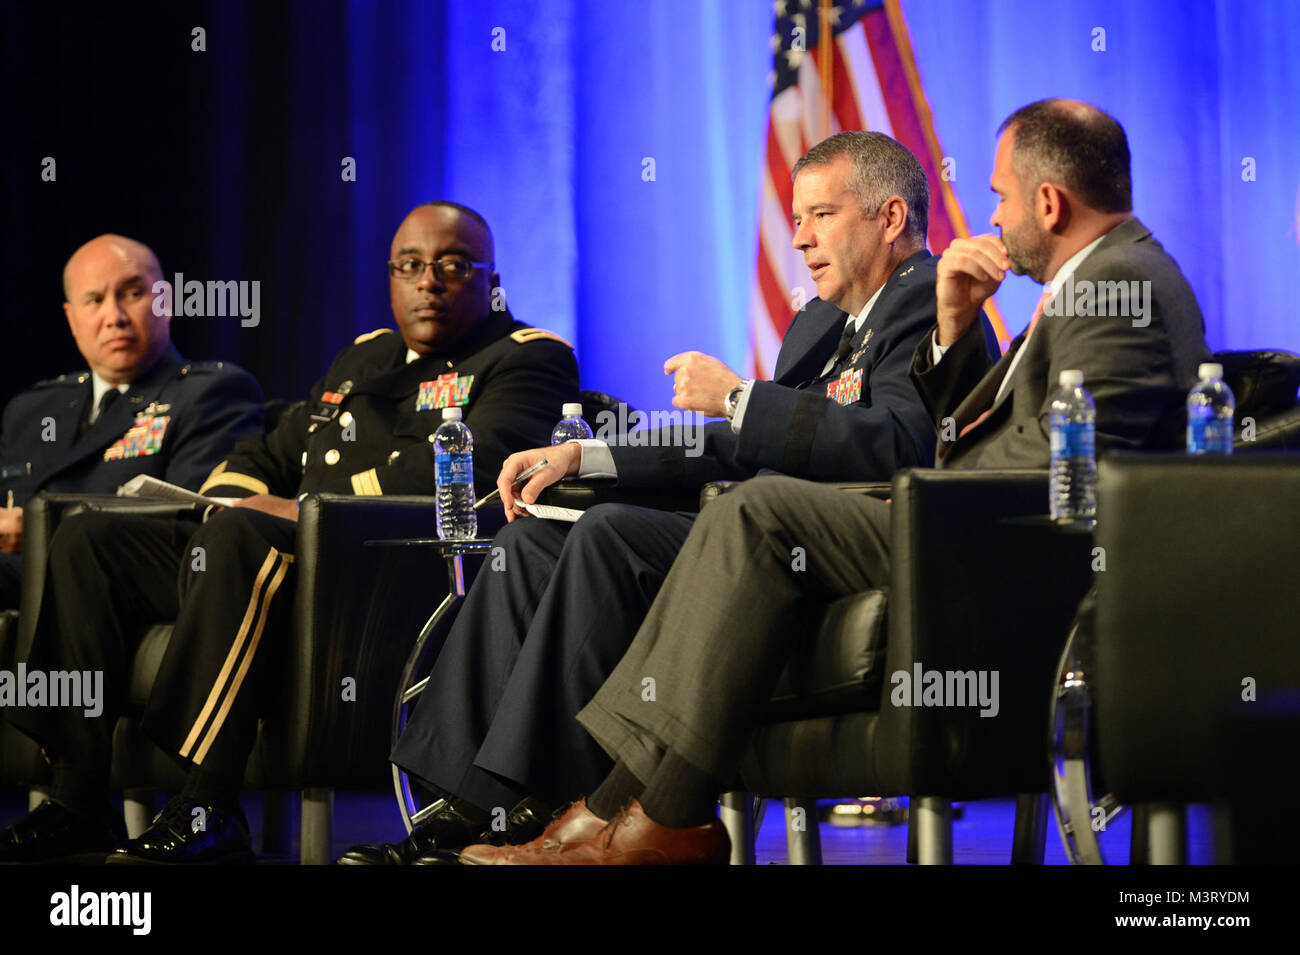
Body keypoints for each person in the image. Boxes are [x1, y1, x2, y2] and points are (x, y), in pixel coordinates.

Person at [459, 99, 1214, 865]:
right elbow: (975, 438)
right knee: (736, 513)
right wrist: (954, 330)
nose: (992, 215)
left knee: (757, 514)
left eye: (1000, 197)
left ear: (1048, 203)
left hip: (995, 548)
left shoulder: (1121, 285)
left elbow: (1059, 464)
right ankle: (622, 814)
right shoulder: (1092, 283)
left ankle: (650, 818)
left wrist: (914, 488)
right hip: (954, 522)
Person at [341, 132, 999, 865]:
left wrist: (742, 399)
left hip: (806, 548)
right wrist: (586, 454)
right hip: (754, 531)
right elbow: (741, 444)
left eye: (821, 215)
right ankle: (463, 806)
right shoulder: (819, 324)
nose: (800, 238)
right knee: (527, 542)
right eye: (797, 216)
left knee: (610, 536)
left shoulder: (926, 301)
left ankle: (528, 805)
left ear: (890, 218)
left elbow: (900, 443)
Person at [0, 201, 580, 864]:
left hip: (378, 569)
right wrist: (228, 500)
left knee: (242, 539)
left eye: (451, 265)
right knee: (88, 541)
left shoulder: (527, 358)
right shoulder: (362, 359)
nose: (429, 281)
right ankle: (76, 799)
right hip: (273, 550)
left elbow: (472, 462)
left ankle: (208, 805)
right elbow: (266, 453)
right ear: (391, 276)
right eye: (411, 266)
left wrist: (304, 510)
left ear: (490, 278)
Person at [0, 234, 264, 608]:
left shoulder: (211, 392)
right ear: (71, 319)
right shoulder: (31, 409)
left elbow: (190, 532)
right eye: (94, 300)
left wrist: (38, 533)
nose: (114, 318)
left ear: (166, 302)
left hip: (111, 585)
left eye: (132, 294)